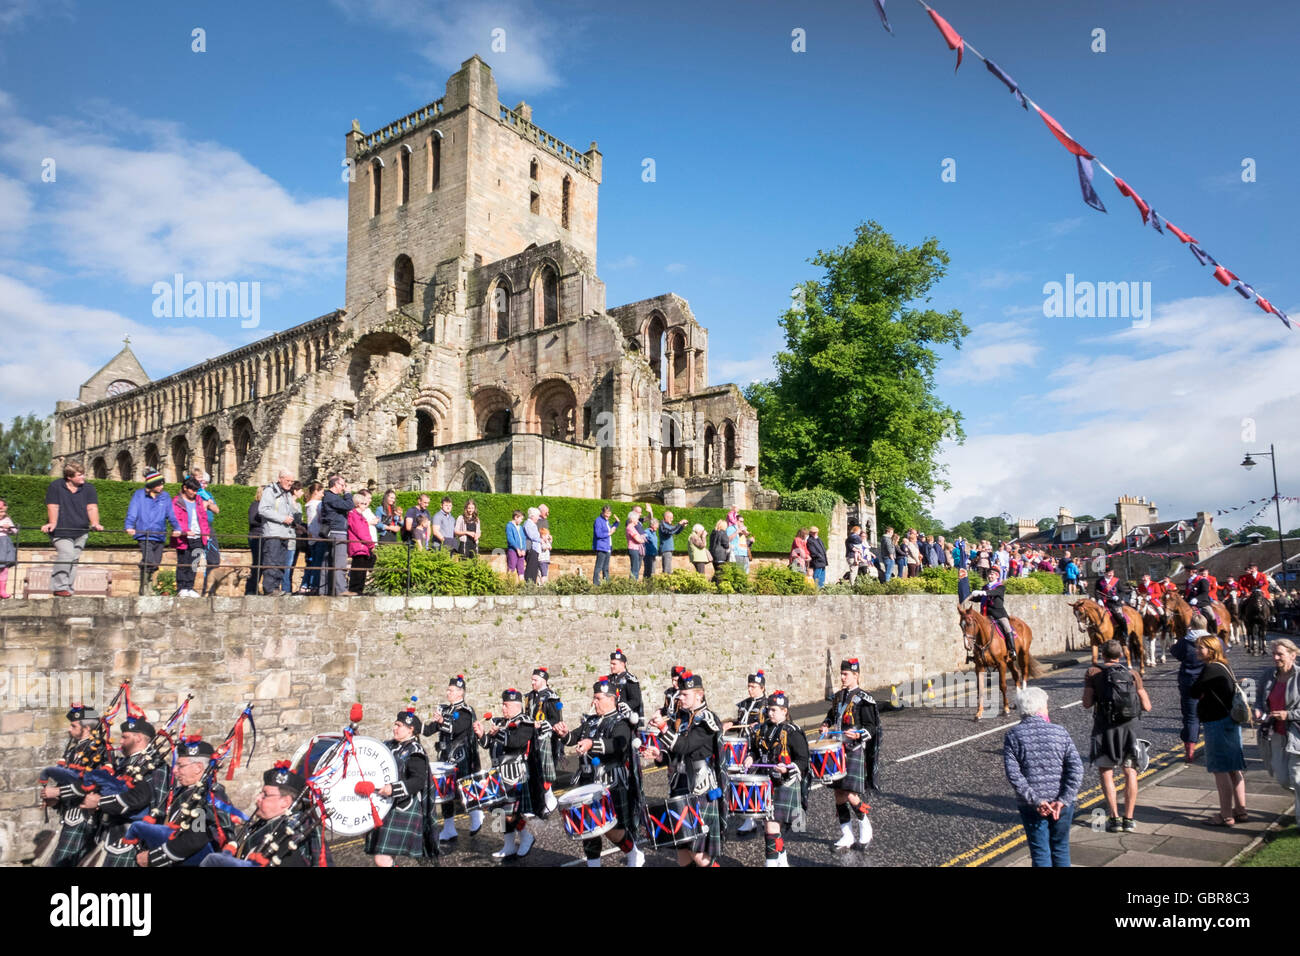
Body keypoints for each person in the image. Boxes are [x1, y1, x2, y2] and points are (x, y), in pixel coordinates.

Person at [555, 676, 645, 867]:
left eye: (598, 698)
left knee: (613, 829)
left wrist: (591, 744)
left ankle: (634, 852)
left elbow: (617, 745)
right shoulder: (591, 721)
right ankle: (593, 864)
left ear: (611, 698)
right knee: (587, 826)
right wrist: (564, 734)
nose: (594, 702)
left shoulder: (621, 722)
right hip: (588, 780)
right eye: (594, 698)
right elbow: (575, 737)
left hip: (611, 781)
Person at [646, 670, 726, 867]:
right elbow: (675, 753)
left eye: (684, 694)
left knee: (698, 854)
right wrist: (660, 755)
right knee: (681, 849)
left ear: (699, 694)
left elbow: (686, 746)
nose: (680, 698)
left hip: (700, 787)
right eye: (679, 694)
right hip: (679, 784)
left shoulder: (708, 720)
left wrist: (663, 729)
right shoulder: (681, 718)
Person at [1003, 686, 1083, 867]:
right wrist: (1064, 799)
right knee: (1061, 849)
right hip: (1061, 805)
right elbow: (1076, 768)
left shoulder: (1013, 736)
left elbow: (1013, 774)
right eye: (1046, 705)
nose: (1048, 709)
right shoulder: (1060, 732)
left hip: (1032, 806)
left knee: (1040, 853)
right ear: (1040, 708)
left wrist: (1036, 801)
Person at [128, 736, 235, 867]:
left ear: (198, 767)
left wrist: (154, 857)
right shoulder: (183, 791)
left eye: (180, 765)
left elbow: (196, 836)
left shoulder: (210, 796)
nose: (174, 770)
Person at [81, 714, 170, 867]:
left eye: (124, 737)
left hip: (131, 838)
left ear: (139, 738)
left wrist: (100, 802)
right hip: (110, 832)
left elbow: (139, 799)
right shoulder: (125, 763)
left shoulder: (155, 765)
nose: (120, 741)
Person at [1082, 639, 1152, 832]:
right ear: (1121, 655)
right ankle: (1129, 819)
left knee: (1106, 772)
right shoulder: (1133, 674)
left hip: (1105, 729)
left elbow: (1087, 703)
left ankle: (1113, 818)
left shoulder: (1093, 673)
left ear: (1102, 655)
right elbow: (1147, 706)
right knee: (1130, 772)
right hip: (1130, 729)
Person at [203, 761, 327, 867]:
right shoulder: (262, 823)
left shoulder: (295, 833)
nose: (258, 798)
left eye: (265, 795)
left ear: (285, 802)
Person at [821, 657, 881, 848]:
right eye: (841, 673)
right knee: (838, 794)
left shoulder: (864, 699)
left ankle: (865, 827)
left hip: (854, 750)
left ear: (856, 675)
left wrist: (858, 734)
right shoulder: (838, 697)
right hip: (837, 751)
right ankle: (847, 835)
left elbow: (872, 727)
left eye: (846, 674)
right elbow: (831, 716)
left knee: (850, 794)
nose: (842, 677)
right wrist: (825, 725)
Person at [745, 690, 809, 867]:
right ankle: (783, 860)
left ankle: (771, 863)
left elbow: (803, 760)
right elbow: (756, 749)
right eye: (768, 709)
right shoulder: (762, 728)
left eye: (774, 710)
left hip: (784, 784)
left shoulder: (793, 731)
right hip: (765, 782)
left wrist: (787, 768)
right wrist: (750, 756)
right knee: (772, 828)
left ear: (784, 711)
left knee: (771, 828)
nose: (770, 713)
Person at [40, 703, 110, 865]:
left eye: (73, 725)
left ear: (86, 728)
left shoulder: (100, 750)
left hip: (83, 816)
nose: (69, 729)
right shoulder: (74, 750)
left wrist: (58, 793)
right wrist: (56, 800)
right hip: (69, 813)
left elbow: (92, 784)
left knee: (64, 862)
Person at [1190, 636, 1248, 826]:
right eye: (1197, 647)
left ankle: (1225, 815)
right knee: (1234, 768)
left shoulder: (1210, 669)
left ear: (1212, 650)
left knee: (1220, 770)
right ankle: (1240, 811)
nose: (1197, 651)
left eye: (1202, 648)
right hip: (1230, 721)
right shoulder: (1224, 666)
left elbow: (1192, 691)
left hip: (1216, 723)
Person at [365, 704, 431, 866]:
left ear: (411, 730)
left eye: (399, 726)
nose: (395, 728)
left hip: (404, 807)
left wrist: (392, 789)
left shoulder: (415, 751)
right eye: (395, 724)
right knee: (384, 858)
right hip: (386, 806)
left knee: (382, 859)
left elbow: (417, 781)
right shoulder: (389, 745)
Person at [474, 689, 536, 859]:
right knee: (497, 811)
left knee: (510, 813)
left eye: (506, 705)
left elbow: (516, 742)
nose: (503, 708)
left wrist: (499, 732)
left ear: (517, 706)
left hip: (514, 773)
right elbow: (489, 745)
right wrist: (481, 735)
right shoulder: (500, 722)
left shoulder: (525, 722)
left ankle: (526, 837)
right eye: (502, 705)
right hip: (497, 774)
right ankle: (508, 845)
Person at [423, 675, 483, 840]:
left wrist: (442, 720)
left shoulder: (466, 711)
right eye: (448, 689)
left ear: (460, 693)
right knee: (445, 793)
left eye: (451, 690)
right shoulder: (445, 709)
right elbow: (429, 731)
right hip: (444, 757)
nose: (447, 692)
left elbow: (458, 728)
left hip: (461, 757)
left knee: (465, 788)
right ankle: (449, 829)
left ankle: (477, 815)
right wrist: (412, 723)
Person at [1255, 638, 1300, 826]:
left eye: (1280, 654)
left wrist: (1288, 714)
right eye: (1273, 653)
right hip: (1275, 735)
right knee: (1283, 779)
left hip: (1296, 734)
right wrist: (1258, 710)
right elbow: (1259, 700)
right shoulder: (1267, 675)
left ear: (1293, 654)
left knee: (1297, 778)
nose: (1275, 657)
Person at [42, 461, 103, 596]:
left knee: (74, 560)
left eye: (83, 474)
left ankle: (68, 588)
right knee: (66, 555)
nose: (83, 477)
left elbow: (92, 507)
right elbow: (53, 506)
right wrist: (52, 522)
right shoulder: (56, 486)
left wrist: (95, 523)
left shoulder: (89, 488)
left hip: (81, 531)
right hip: (61, 530)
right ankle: (59, 587)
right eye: (80, 475)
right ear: (69, 477)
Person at [726, 669, 768, 836]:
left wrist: (759, 726)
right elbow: (740, 722)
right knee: (744, 780)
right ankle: (749, 820)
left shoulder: (766, 705)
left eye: (754, 686)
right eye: (749, 686)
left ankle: (765, 817)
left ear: (762, 687)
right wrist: (731, 724)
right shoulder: (744, 704)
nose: (750, 689)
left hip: (758, 747)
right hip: (743, 748)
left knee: (758, 782)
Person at [1171, 613, 1216, 762]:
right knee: (1213, 714)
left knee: (1191, 717)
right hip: (1211, 681)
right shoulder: (1214, 640)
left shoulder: (1185, 641)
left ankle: (1189, 752)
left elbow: (1175, 652)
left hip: (1189, 681)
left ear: (1191, 625)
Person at [124, 470, 175, 595]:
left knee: (155, 563)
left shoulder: (165, 496)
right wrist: (129, 525)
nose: (162, 487)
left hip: (159, 534)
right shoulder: (139, 495)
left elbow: (171, 514)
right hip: (144, 534)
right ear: (152, 485)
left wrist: (177, 527)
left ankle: (145, 585)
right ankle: (146, 588)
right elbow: (133, 511)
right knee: (149, 561)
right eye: (159, 485)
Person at [525, 667, 563, 815]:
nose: (532, 682)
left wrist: (544, 725)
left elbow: (556, 719)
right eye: (532, 679)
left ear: (543, 680)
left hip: (547, 740)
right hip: (532, 738)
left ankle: (549, 799)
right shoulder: (530, 696)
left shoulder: (551, 697)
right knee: (534, 771)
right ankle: (539, 803)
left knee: (544, 772)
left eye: (535, 680)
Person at [257, 469, 300, 595]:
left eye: (292, 481)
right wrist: (283, 519)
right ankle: (269, 589)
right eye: (288, 481)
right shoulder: (270, 491)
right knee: (271, 561)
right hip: (273, 533)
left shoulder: (286, 493)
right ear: (280, 478)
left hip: (284, 534)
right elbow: (263, 510)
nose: (290, 483)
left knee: (281, 563)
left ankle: (276, 588)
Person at [172, 477, 212, 597]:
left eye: (196, 490)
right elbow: (176, 519)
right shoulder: (177, 501)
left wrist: (206, 532)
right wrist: (185, 531)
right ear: (185, 488)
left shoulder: (198, 500)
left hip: (199, 536)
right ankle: (181, 588)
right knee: (183, 562)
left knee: (194, 563)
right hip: (184, 537)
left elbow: (203, 518)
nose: (195, 493)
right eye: (193, 490)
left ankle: (190, 587)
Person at [968, 566, 1018, 661]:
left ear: (997, 576)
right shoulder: (985, 587)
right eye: (989, 574)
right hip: (985, 615)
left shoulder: (1000, 587)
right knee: (975, 630)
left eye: (992, 574)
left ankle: (1012, 650)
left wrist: (981, 592)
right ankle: (975, 653)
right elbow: (980, 598)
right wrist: (970, 596)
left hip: (999, 614)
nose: (990, 576)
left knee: (1007, 627)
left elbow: (993, 593)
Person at [319, 475, 353, 596]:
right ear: (335, 484)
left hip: (334, 532)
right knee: (339, 562)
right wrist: (348, 493)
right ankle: (341, 589)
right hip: (337, 532)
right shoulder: (331, 497)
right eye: (342, 485)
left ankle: (324, 590)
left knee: (327, 562)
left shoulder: (330, 497)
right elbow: (349, 505)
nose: (343, 488)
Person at [346, 490, 377, 595]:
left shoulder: (360, 515)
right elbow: (361, 532)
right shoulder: (354, 515)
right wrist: (371, 544)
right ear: (358, 504)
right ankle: (355, 590)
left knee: (362, 570)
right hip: (358, 546)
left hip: (363, 547)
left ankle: (359, 590)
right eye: (363, 504)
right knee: (358, 570)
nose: (365, 505)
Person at [300, 482, 326, 594]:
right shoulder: (317, 504)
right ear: (316, 492)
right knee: (318, 563)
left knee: (312, 562)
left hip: (312, 536)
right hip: (319, 536)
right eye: (322, 492)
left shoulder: (309, 504)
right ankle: (315, 586)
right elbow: (321, 520)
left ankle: (306, 585)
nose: (323, 495)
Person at [607, 648, 644, 719]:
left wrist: (625, 707)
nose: (611, 666)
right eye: (611, 664)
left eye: (614, 664)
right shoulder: (610, 679)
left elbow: (636, 700)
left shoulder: (629, 679)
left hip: (625, 718)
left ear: (622, 664)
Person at [1094, 567, 1129, 640]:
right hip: (1103, 603)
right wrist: (1099, 599)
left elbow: (1122, 591)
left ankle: (1124, 632)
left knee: (1120, 617)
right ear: (1105, 573)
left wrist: (1118, 597)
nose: (1111, 574)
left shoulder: (1117, 581)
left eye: (1112, 572)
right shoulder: (1099, 581)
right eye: (1109, 573)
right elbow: (1097, 592)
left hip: (1115, 603)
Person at [592, 506, 619, 583]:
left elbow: (611, 530)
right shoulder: (598, 521)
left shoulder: (606, 521)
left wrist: (617, 523)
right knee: (599, 567)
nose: (608, 515)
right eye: (607, 513)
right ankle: (596, 584)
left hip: (608, 547)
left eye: (609, 513)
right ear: (603, 513)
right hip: (601, 547)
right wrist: (609, 533)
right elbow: (598, 534)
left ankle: (606, 584)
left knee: (606, 568)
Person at [625, 506, 646, 580]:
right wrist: (644, 540)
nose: (637, 521)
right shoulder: (630, 527)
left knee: (636, 568)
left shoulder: (632, 527)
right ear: (632, 519)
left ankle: (634, 584)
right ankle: (632, 585)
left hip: (636, 549)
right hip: (633, 549)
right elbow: (638, 539)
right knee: (634, 569)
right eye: (636, 519)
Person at [523, 507, 543, 583]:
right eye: (537, 515)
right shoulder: (528, 523)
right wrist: (541, 540)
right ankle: (529, 586)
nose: (538, 517)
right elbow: (532, 536)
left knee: (534, 569)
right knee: (531, 569)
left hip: (534, 549)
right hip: (531, 549)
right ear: (532, 516)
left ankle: (531, 585)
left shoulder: (532, 524)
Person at [0, 498, 15, 599]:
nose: (2, 512)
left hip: (4, 544)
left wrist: (9, 528)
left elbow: (15, 530)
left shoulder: (7, 519)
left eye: (3, 510)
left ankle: (2, 590)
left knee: (4, 568)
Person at [505, 510, 526, 580]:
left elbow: (523, 539)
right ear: (516, 517)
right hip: (513, 551)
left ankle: (522, 588)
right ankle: (509, 587)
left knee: (521, 571)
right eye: (521, 519)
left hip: (521, 552)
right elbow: (510, 539)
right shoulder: (509, 526)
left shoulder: (520, 527)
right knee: (511, 569)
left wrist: (523, 549)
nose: (521, 521)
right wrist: (517, 549)